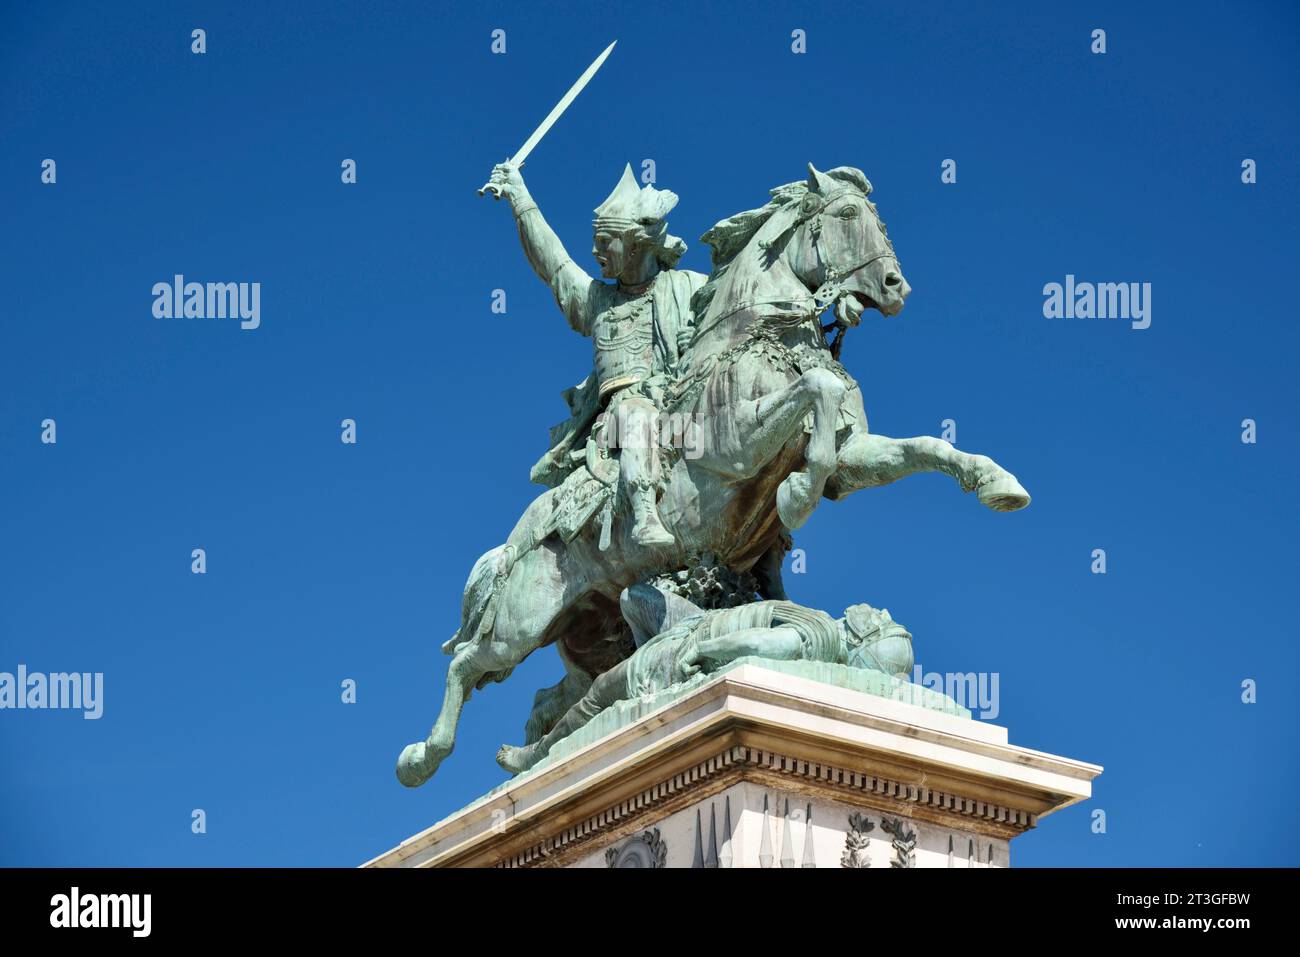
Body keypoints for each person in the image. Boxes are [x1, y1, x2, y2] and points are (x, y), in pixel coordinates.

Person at [487, 161, 707, 547]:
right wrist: (520, 197)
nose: (594, 250)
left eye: (605, 242)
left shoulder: (691, 286)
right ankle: (644, 516)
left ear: (636, 243)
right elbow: (553, 262)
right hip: (622, 416)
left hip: (686, 407)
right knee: (636, 414)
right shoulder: (597, 301)